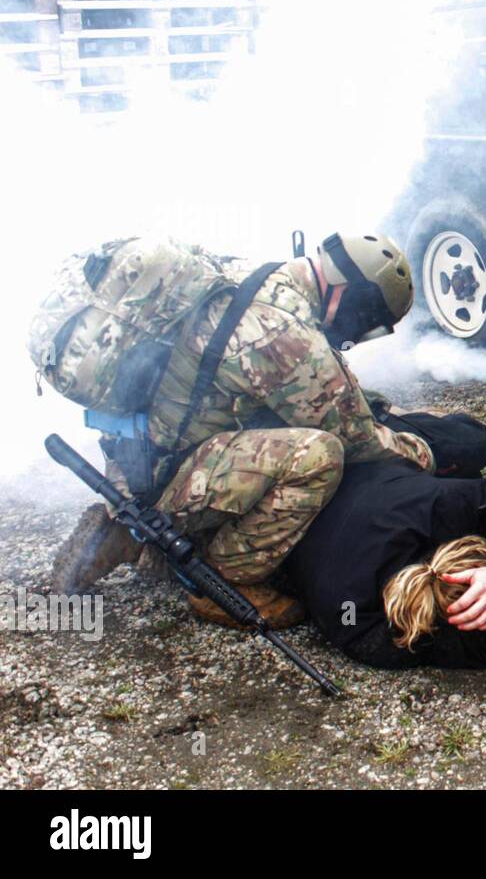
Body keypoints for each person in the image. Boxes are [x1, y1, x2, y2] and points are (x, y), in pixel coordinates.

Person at [53, 233, 435, 628]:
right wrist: (423, 450)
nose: (359, 334)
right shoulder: (283, 331)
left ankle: (123, 532)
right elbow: (358, 439)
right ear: (349, 295)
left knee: (278, 433)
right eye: (368, 322)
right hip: (169, 476)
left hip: (138, 459)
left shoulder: (256, 278)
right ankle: (224, 575)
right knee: (318, 456)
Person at [283, 412, 486, 668]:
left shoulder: (440, 505)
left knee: (472, 443)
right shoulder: (352, 622)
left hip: (354, 463)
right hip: (366, 465)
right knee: (473, 443)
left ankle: (386, 415)